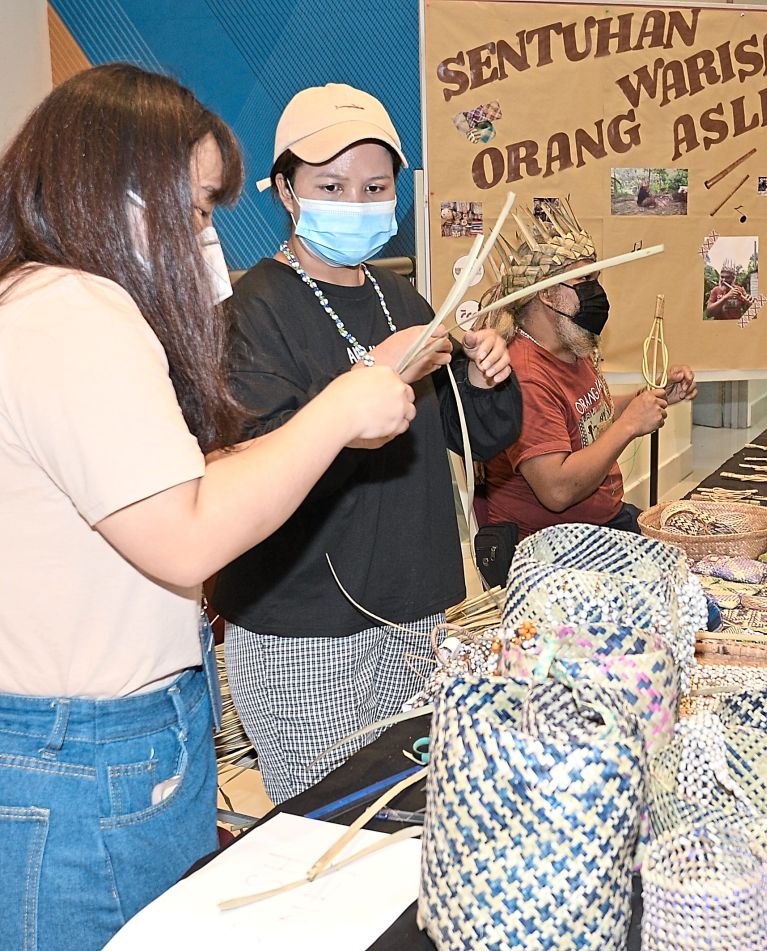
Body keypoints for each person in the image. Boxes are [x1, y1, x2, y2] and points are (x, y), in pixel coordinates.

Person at [0, 65, 416, 950]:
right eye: (190, 209)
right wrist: (343, 407)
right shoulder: (72, 309)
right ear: (112, 189)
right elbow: (184, 533)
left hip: (117, 735)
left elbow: (177, 479)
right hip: (85, 751)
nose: (203, 235)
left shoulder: (48, 304)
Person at [209, 84, 521, 804]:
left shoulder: (402, 298)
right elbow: (258, 465)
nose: (355, 202)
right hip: (305, 627)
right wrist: (375, 366)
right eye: (331, 185)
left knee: (409, 813)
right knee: (327, 825)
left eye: (374, 186)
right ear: (286, 190)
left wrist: (484, 378)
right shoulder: (250, 311)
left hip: (412, 608)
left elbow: (476, 437)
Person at [478, 202, 696, 539]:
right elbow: (557, 491)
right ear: (548, 294)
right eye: (585, 281)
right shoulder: (525, 375)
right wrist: (628, 426)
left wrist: (650, 396)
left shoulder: (569, 345)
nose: (596, 292)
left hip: (602, 522)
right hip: (553, 545)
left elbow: (586, 416)